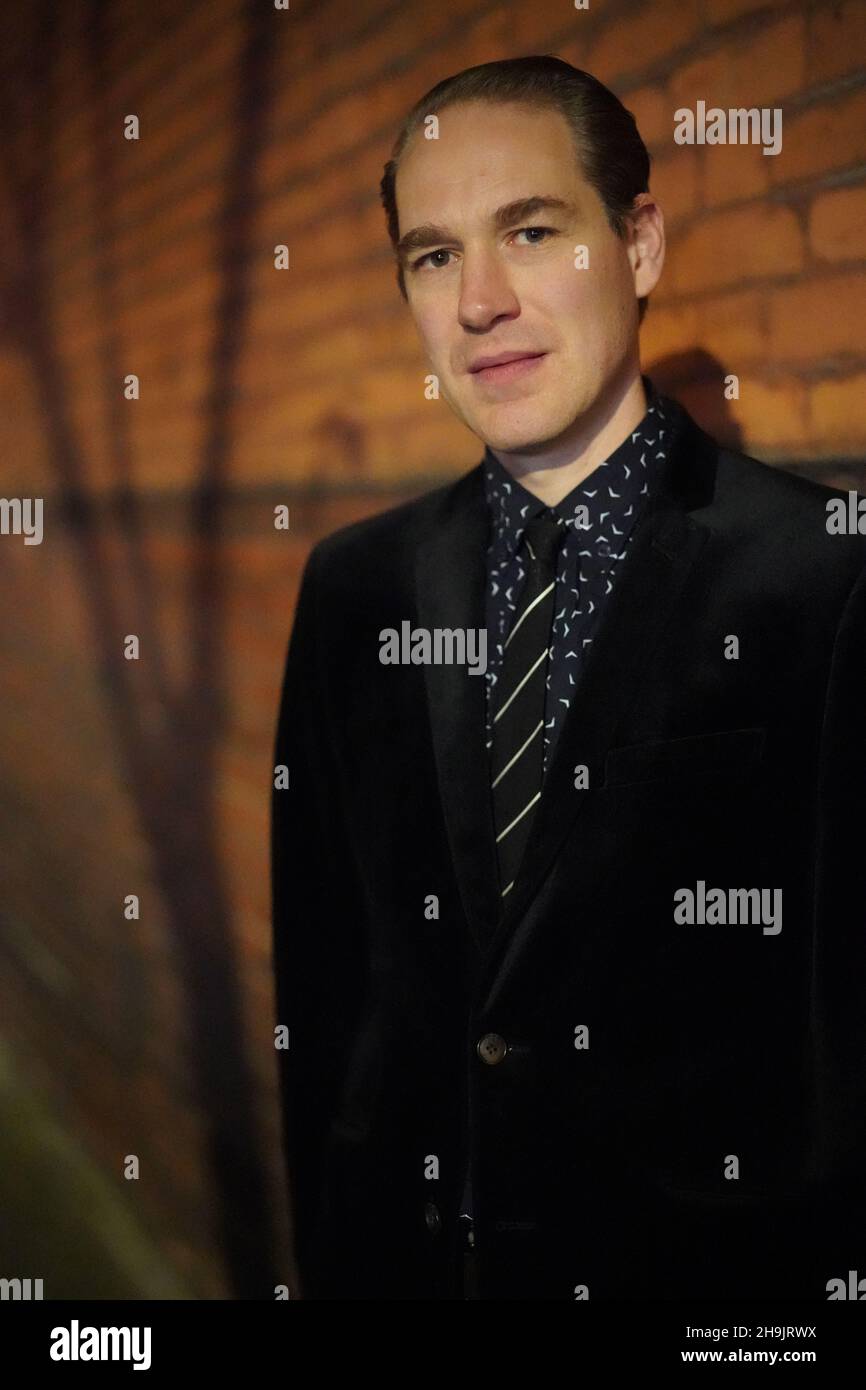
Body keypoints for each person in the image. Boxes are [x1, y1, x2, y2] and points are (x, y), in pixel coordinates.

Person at [271, 55, 866, 1300]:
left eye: (529, 232)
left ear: (636, 242)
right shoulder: (352, 589)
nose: (479, 300)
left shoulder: (819, 581)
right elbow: (327, 988)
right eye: (433, 257)